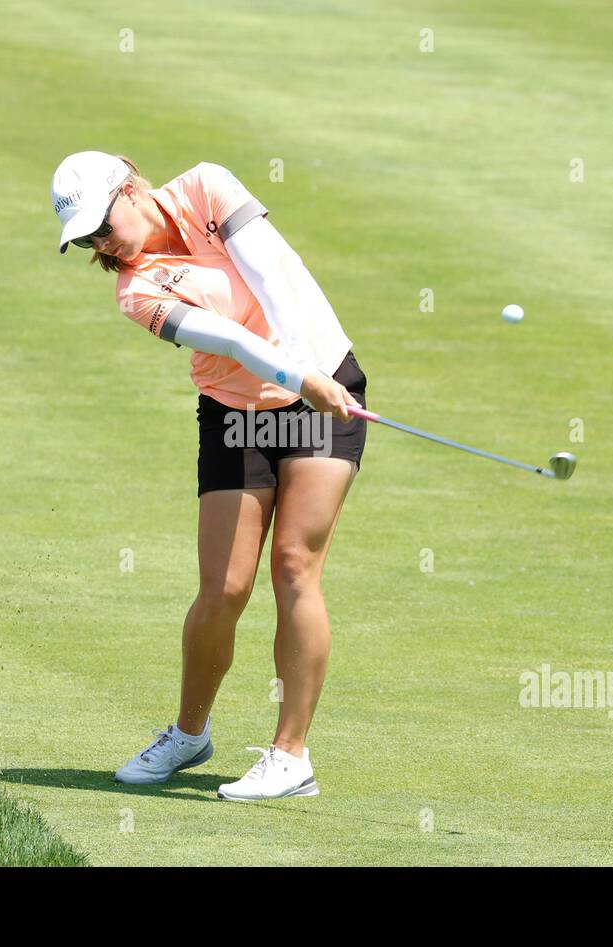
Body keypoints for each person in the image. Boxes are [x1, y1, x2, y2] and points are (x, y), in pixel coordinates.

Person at [50, 150, 368, 801]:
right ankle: (189, 733)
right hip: (236, 413)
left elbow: (273, 274)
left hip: (325, 388)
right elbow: (225, 338)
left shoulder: (207, 187)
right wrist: (292, 375)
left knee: (293, 565)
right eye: (86, 239)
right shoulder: (135, 291)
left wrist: (311, 370)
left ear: (130, 188)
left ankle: (290, 755)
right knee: (223, 589)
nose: (100, 243)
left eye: (102, 225)